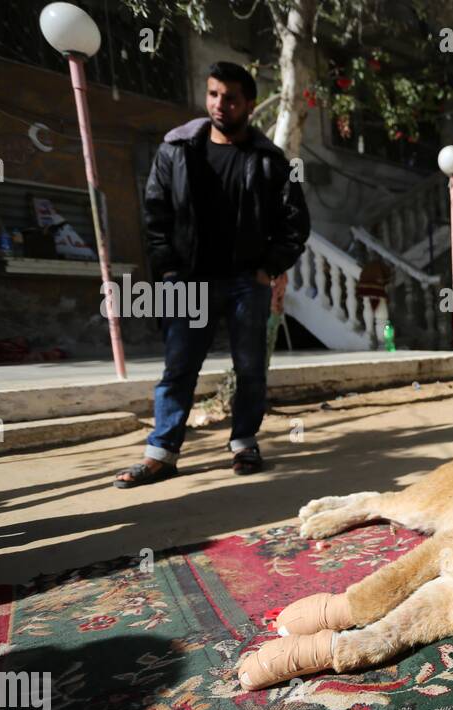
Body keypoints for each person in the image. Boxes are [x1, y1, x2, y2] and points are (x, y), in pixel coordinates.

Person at [114, 62, 310, 487]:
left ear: (250, 105)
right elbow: (155, 213)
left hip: (246, 282)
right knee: (179, 367)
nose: (221, 104)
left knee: (251, 368)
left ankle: (243, 442)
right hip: (188, 281)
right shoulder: (176, 150)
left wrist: (268, 270)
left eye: (232, 98)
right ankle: (161, 454)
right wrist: (167, 269)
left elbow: (295, 224)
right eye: (214, 94)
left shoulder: (271, 162)